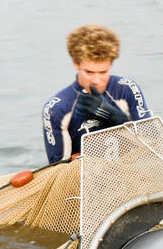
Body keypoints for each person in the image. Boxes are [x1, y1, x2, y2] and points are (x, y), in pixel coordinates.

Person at [41, 24, 151, 164]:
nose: (97, 81)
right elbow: (58, 170)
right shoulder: (56, 109)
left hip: (133, 171)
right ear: (76, 64)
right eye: (89, 72)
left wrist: (119, 121)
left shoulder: (127, 89)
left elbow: (155, 143)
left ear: (111, 63)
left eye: (103, 72)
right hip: (87, 181)